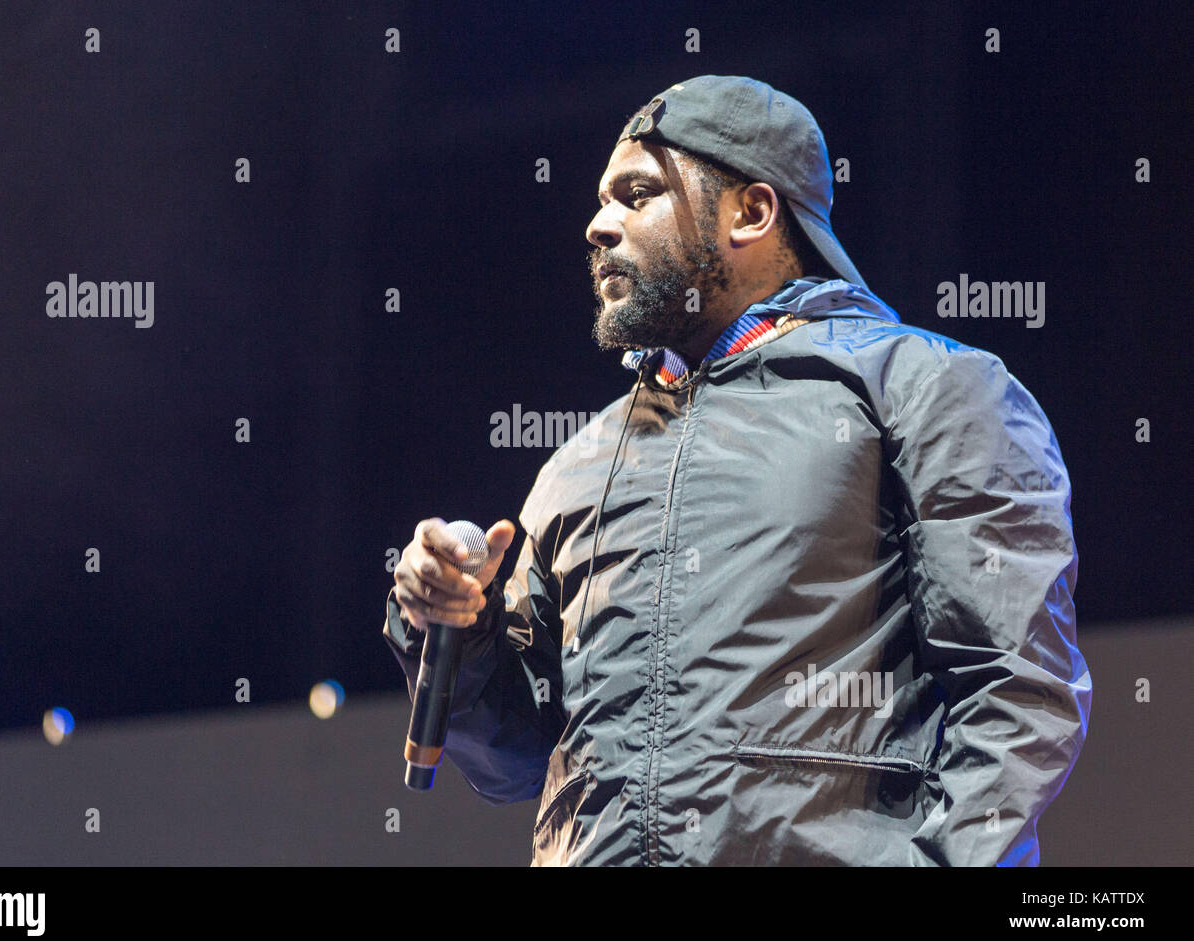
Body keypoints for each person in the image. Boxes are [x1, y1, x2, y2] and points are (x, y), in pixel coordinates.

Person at [382, 75, 1091, 866]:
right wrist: (456, 624)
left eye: (636, 194)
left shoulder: (926, 388)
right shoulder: (579, 464)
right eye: (601, 200)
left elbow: (1019, 694)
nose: (596, 225)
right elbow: (513, 760)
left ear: (750, 213)